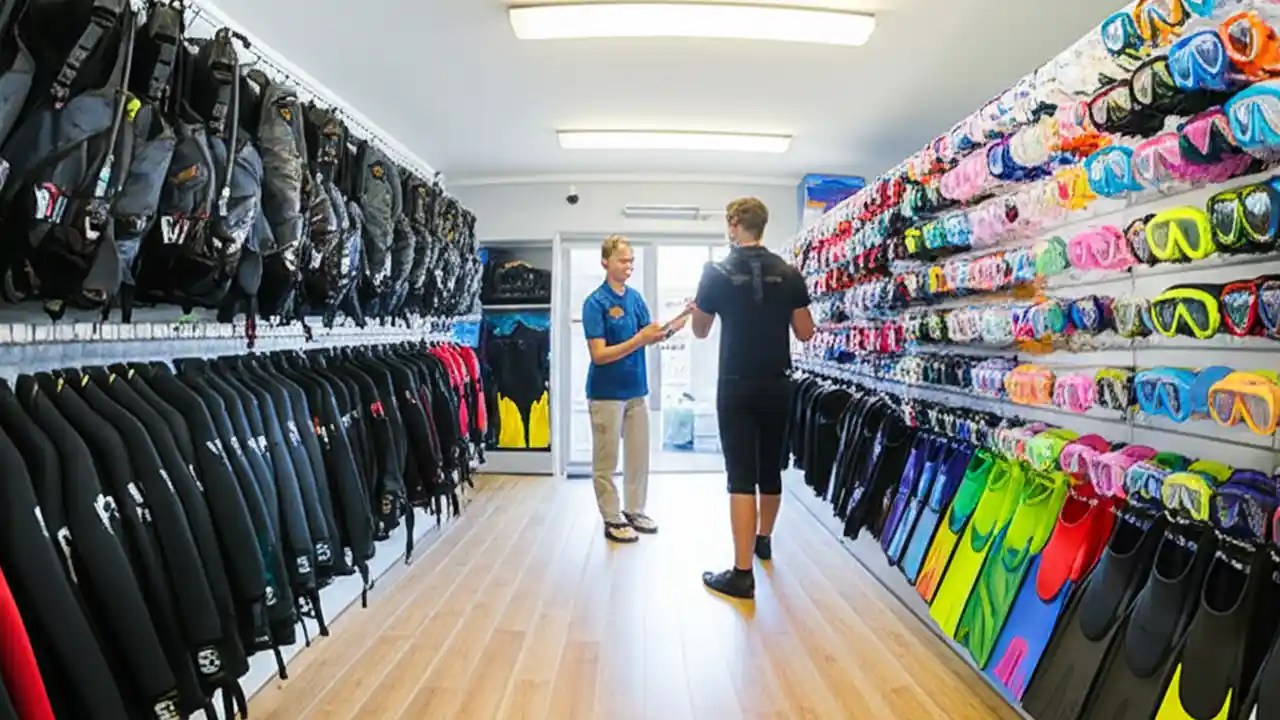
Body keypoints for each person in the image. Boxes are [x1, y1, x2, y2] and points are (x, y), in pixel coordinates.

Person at [690, 197, 814, 599]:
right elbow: (806, 332)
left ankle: (742, 574)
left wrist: (699, 307)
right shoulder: (789, 273)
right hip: (778, 383)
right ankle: (763, 540)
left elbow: (701, 330)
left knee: (740, 476)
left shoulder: (715, 273)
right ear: (762, 226)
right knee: (769, 470)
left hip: (736, 384)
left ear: (733, 225)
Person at [582, 235, 688, 543]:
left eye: (631, 261)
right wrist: (639, 340)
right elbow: (599, 355)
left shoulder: (635, 298)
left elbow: (652, 335)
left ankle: (634, 510)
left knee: (639, 457)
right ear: (606, 262)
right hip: (605, 394)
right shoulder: (595, 303)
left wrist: (680, 320)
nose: (629, 266)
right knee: (606, 459)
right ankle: (612, 517)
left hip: (636, 392)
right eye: (622, 260)